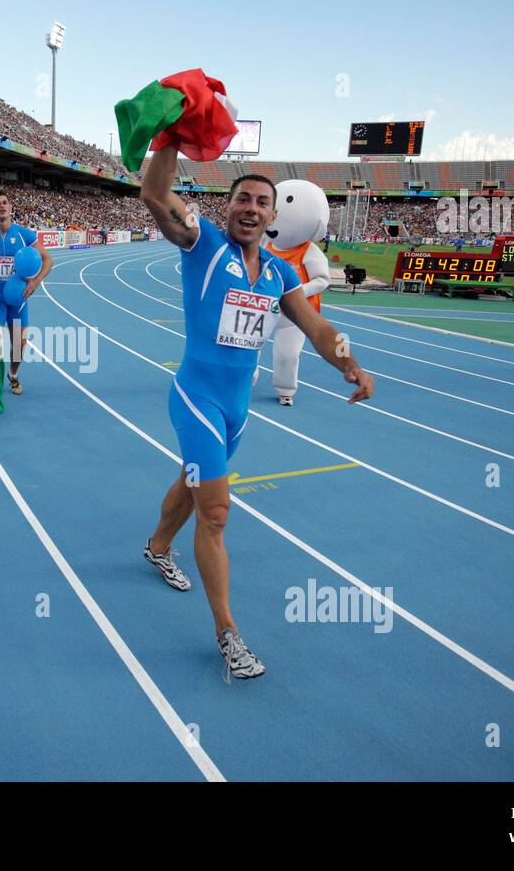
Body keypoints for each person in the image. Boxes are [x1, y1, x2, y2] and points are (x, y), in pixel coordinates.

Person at [138, 146, 375, 681]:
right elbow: (155, 194)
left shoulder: (277, 273)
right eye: (242, 198)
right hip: (197, 397)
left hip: (237, 409)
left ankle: (157, 547)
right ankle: (229, 636)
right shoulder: (202, 245)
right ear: (228, 206)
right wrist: (172, 139)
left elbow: (317, 330)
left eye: (262, 202)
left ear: (272, 216)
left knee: (194, 480)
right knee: (216, 513)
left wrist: (350, 364)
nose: (251, 207)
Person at [0, 191, 53, 394]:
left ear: (10, 207)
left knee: (20, 344)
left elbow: (48, 260)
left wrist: (35, 282)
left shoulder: (24, 234)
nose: (2, 206)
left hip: (19, 299)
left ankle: (13, 374)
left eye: (5, 203)